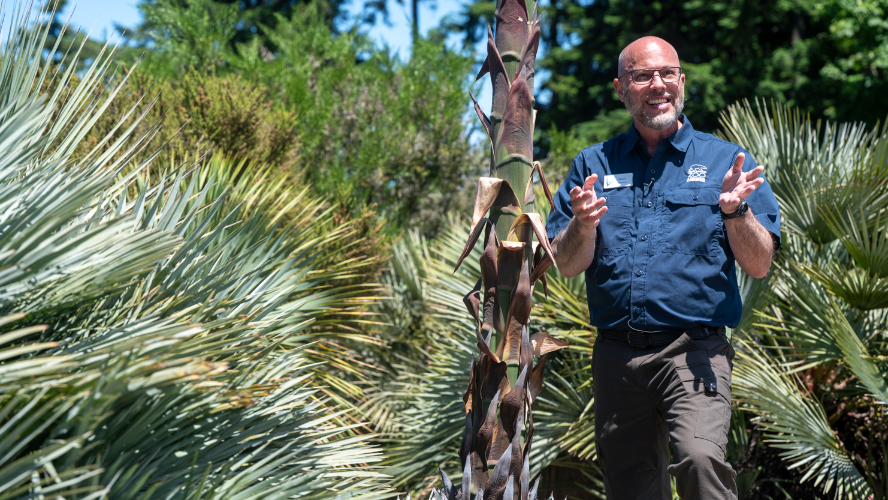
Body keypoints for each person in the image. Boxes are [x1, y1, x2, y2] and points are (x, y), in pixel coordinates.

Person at [544, 36, 781, 500]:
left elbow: (759, 264)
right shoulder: (592, 164)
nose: (658, 85)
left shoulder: (725, 162)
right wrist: (583, 225)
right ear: (620, 88)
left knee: (699, 459)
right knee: (630, 487)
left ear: (682, 81)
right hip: (617, 359)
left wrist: (736, 212)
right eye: (641, 76)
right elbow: (567, 265)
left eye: (667, 73)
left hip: (694, 352)